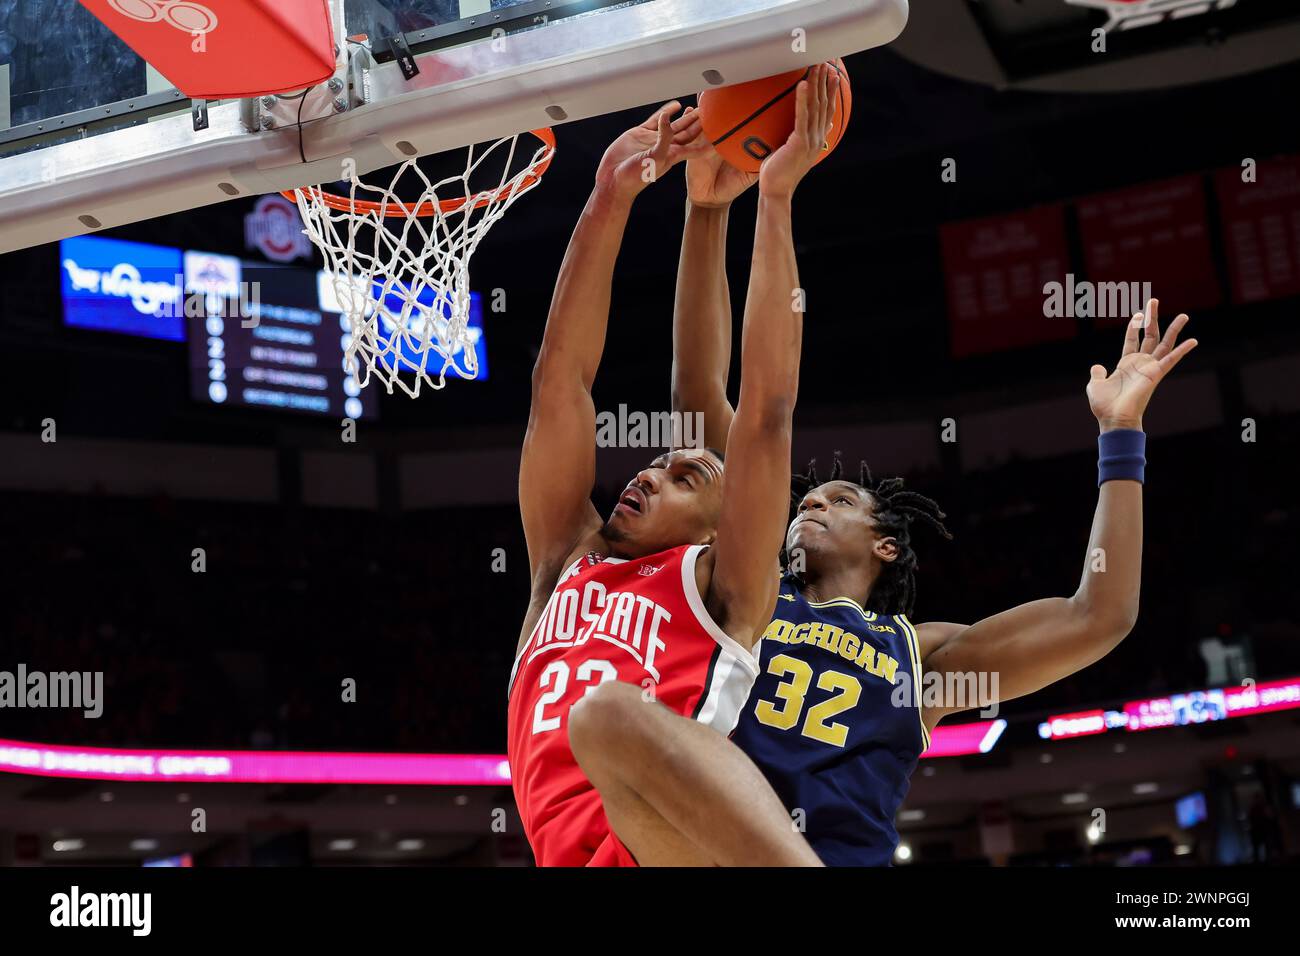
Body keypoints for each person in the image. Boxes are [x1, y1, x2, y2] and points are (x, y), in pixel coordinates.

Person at [671, 149, 1199, 864]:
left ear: (887, 544)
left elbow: (1098, 616)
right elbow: (700, 397)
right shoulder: (745, 587)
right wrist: (706, 213)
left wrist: (1121, 434)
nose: (812, 502)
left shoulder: (919, 655)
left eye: (840, 498)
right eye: (811, 497)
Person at [506, 66, 844, 866]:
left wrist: (779, 196)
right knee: (604, 717)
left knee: (605, 717)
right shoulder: (564, 560)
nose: (651, 474)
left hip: (668, 851)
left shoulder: (726, 587)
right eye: (662, 463)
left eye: (687, 478)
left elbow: (764, 408)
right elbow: (560, 382)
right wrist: (607, 199)